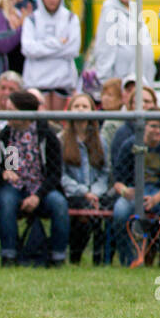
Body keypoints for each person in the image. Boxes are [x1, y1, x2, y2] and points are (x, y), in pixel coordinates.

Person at [0, 89, 68, 266]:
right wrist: (5, 173)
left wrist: (38, 196)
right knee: (7, 200)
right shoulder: (8, 136)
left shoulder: (46, 136)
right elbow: (1, 169)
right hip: (17, 188)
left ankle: (58, 256)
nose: (7, 115)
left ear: (25, 113)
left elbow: (54, 174)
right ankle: (9, 255)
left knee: (59, 204)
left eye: (12, 111)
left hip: (42, 189)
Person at [109, 109, 160, 267]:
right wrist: (126, 192)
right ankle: (130, 260)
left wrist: (155, 199)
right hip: (132, 191)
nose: (158, 131)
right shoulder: (129, 145)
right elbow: (117, 181)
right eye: (153, 126)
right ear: (144, 126)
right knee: (120, 214)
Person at [60, 93, 113, 265]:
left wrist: (94, 192)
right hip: (73, 194)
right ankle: (74, 257)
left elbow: (105, 173)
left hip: (97, 193)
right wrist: (84, 192)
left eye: (85, 106)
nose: (81, 110)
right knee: (82, 212)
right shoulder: (61, 140)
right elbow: (61, 175)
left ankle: (101, 259)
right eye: (77, 106)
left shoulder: (100, 141)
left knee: (103, 208)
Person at [20, 0, 80, 112]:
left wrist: (42, 46)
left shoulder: (70, 18)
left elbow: (73, 49)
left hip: (63, 81)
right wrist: (58, 43)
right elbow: (28, 49)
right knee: (42, 122)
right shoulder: (32, 19)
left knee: (58, 123)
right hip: (37, 80)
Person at [91, 0, 157, 83]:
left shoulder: (134, 8)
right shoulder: (109, 10)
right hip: (121, 77)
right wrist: (106, 80)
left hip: (141, 75)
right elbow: (104, 46)